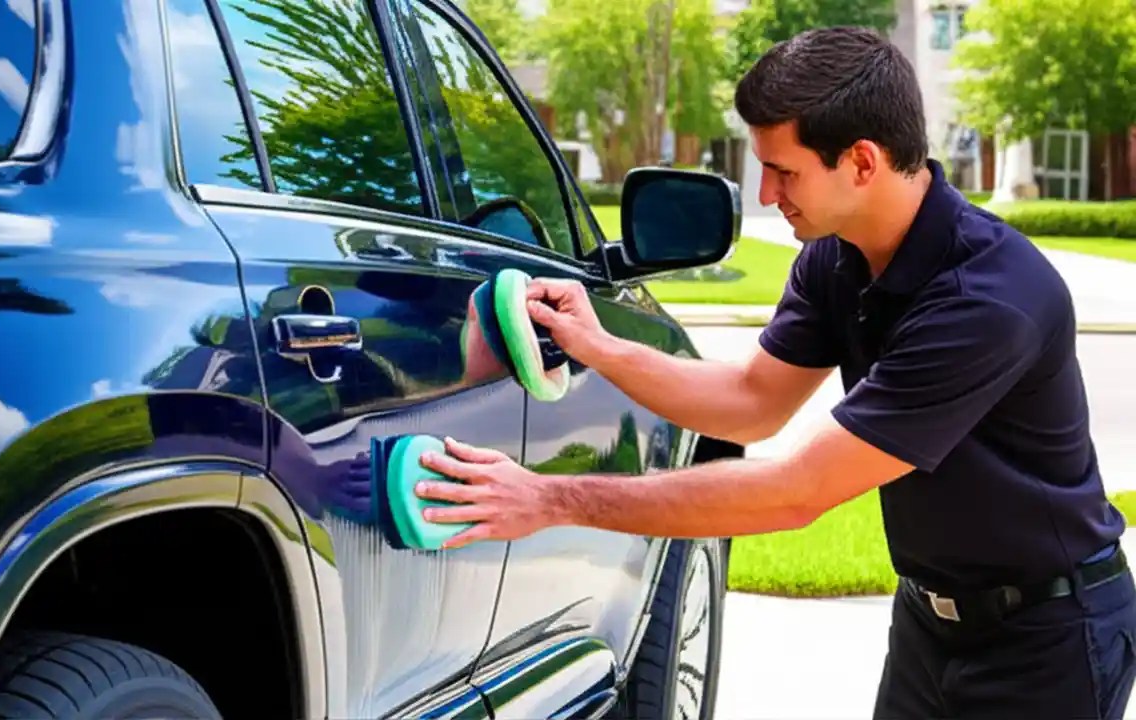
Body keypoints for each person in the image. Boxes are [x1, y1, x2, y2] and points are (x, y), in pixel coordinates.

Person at [414, 25, 1136, 719]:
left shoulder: (987, 299)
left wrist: (549, 500)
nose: (765, 195)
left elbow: (795, 493)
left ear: (860, 160)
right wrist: (599, 344)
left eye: (783, 171)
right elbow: (749, 401)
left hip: (1049, 635)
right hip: (930, 621)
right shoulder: (836, 255)